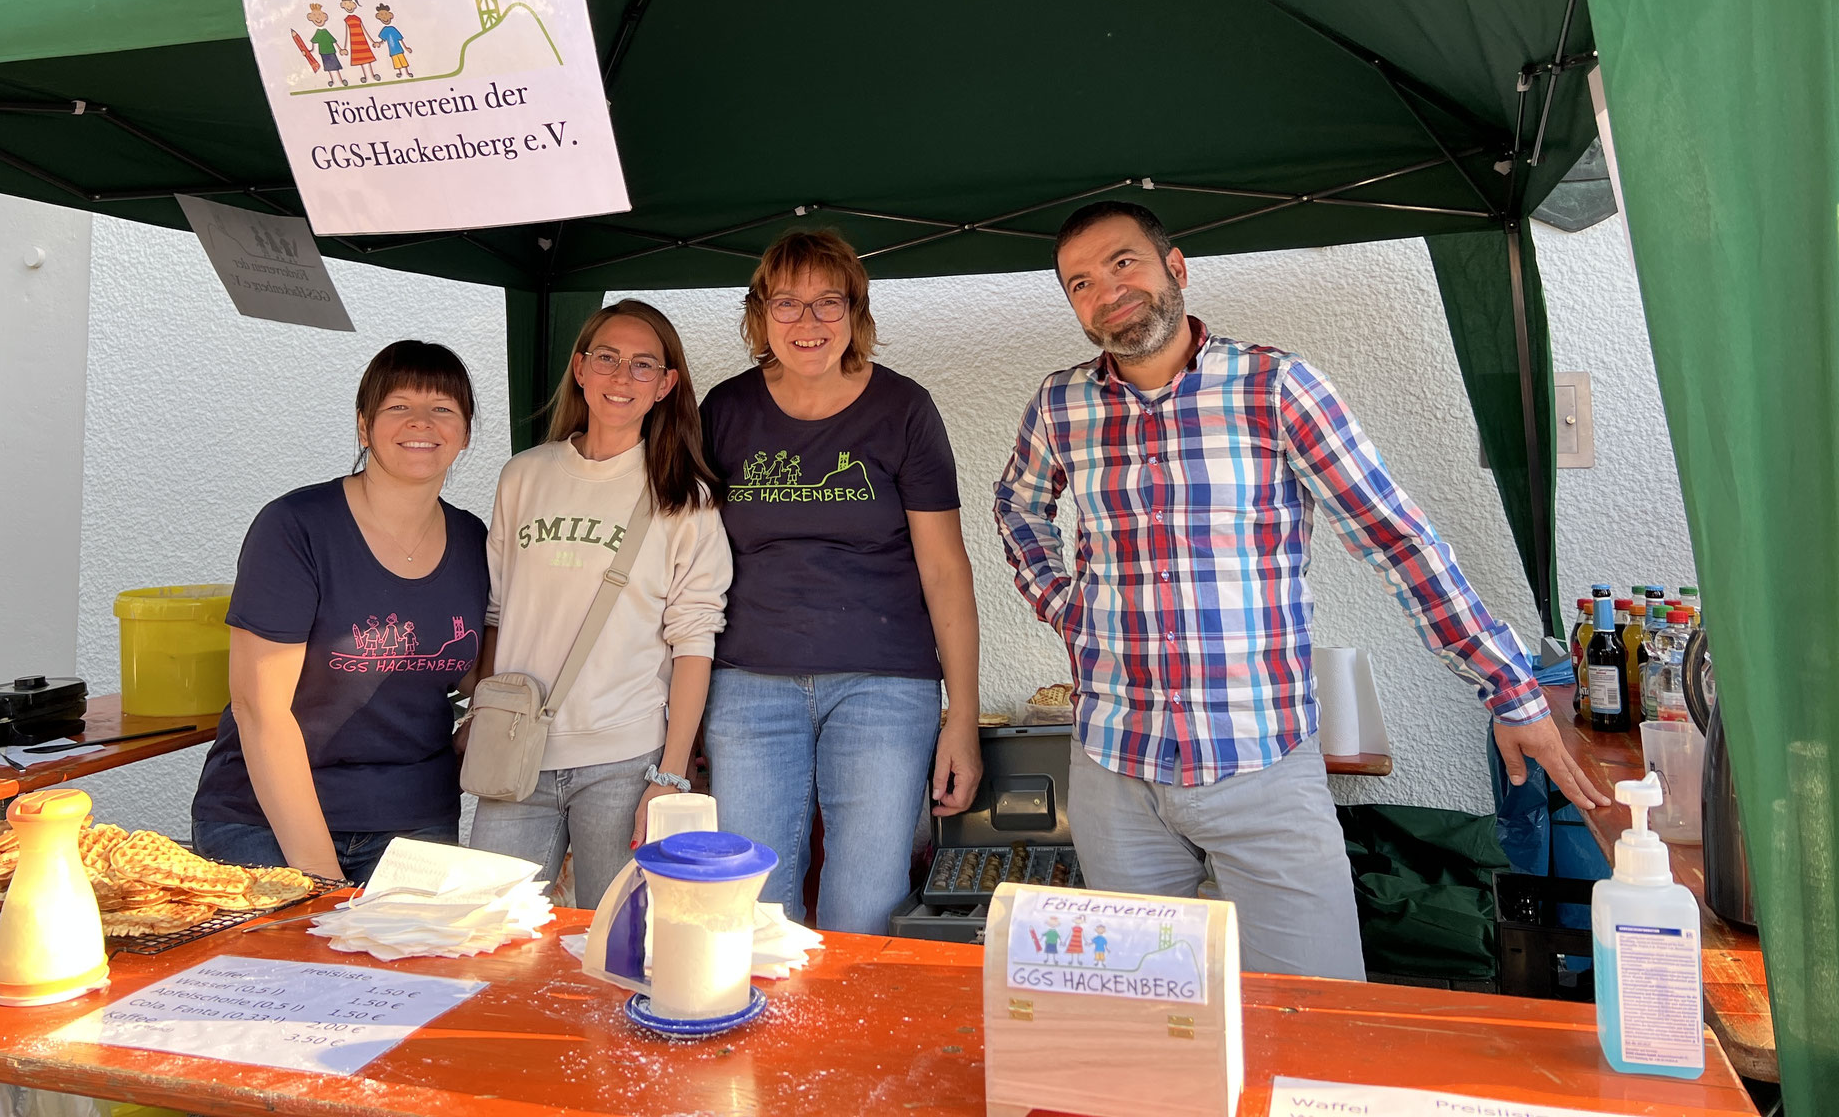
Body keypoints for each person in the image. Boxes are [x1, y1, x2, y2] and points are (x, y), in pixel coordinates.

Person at [993, 201, 1610, 979]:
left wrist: (1509, 689)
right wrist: (1068, 609)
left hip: (1261, 763)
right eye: (1080, 282)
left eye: (1123, 263)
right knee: (1153, 1015)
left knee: (1318, 1011)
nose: (1106, 291)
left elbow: (1396, 537)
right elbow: (1017, 508)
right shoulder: (1060, 404)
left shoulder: (1276, 386)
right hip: (1114, 769)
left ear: (1175, 267)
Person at [702, 229, 984, 936]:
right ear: (761, 314)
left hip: (884, 686)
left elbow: (945, 569)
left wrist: (963, 715)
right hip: (749, 683)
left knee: (865, 906)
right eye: (787, 303)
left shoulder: (903, 410)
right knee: (754, 910)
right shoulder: (725, 411)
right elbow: (686, 561)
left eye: (829, 302)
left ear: (856, 313)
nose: (809, 322)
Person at [190, 340, 486, 885]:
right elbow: (259, 710)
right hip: (264, 824)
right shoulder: (295, 528)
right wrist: (321, 879)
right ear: (364, 426)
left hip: (413, 823)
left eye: (442, 408)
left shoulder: (473, 540)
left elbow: (475, 668)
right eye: (399, 405)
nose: (421, 422)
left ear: (464, 432)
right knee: (299, 946)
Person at [466, 300, 732, 907]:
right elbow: (496, 613)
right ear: (580, 368)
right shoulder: (523, 476)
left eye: (643, 365)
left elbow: (694, 641)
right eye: (607, 358)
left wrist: (670, 774)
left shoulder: (684, 498)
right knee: (489, 931)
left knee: (615, 941)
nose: (622, 376)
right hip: (517, 754)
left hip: (626, 761)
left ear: (666, 385)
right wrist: (480, 716)